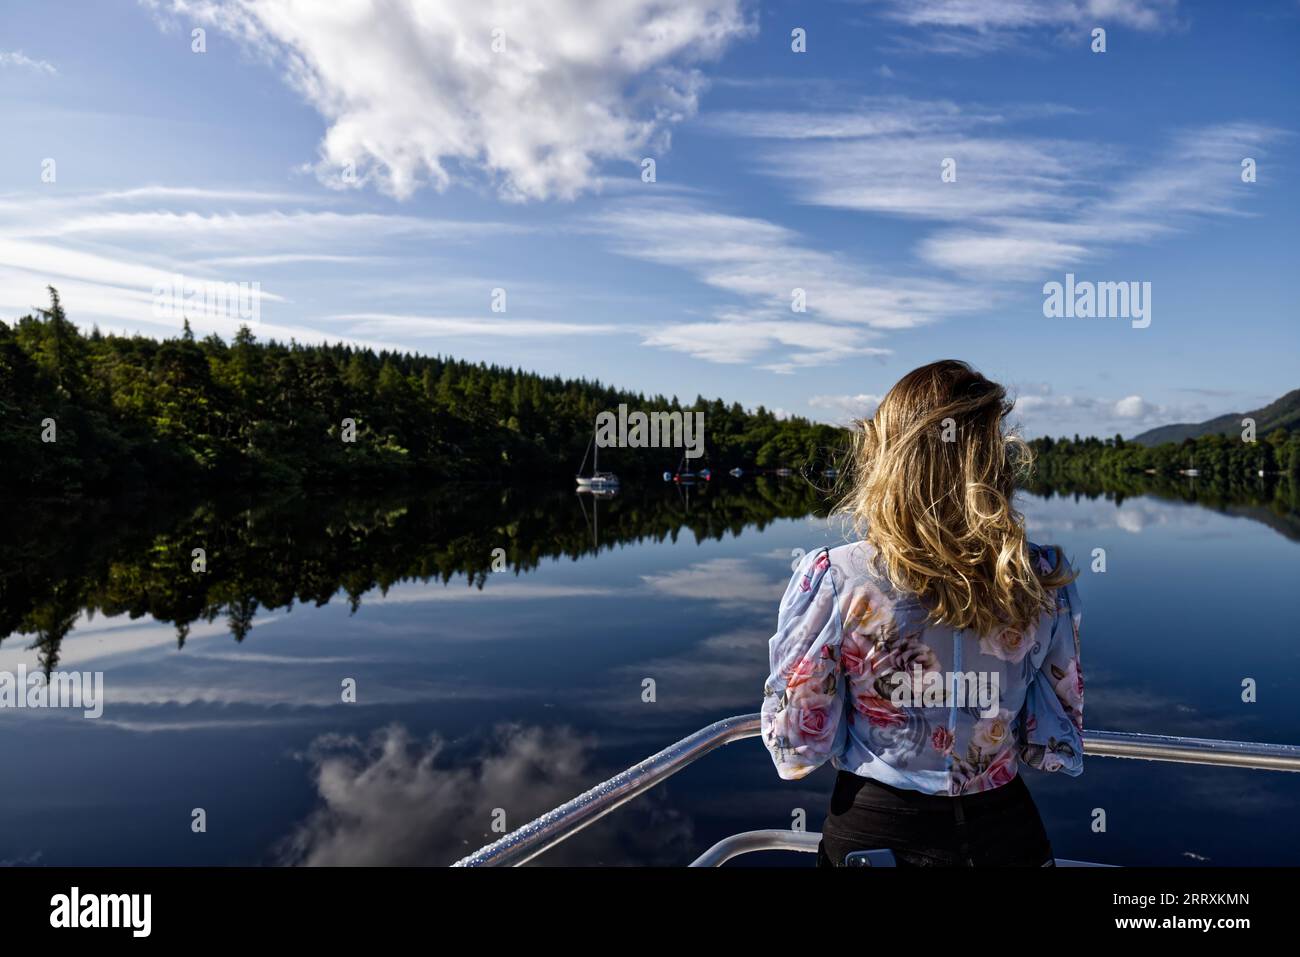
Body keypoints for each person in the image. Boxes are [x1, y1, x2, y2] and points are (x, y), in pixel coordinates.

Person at [760, 359, 1083, 867]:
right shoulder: (1041, 574)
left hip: (876, 838)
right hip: (1006, 835)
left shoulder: (835, 575)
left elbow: (799, 745)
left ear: (890, 456)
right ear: (992, 457)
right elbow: (1051, 735)